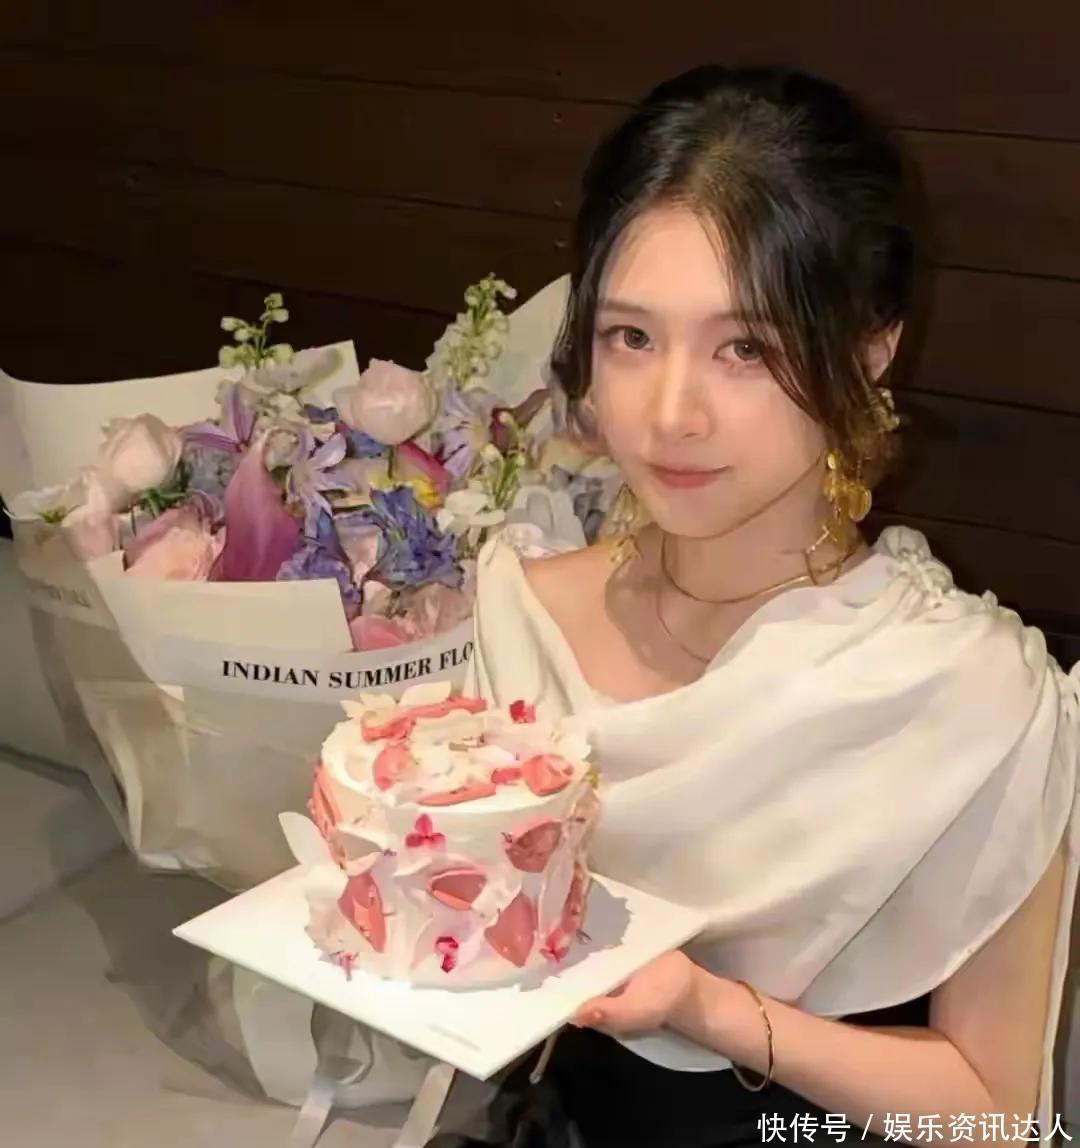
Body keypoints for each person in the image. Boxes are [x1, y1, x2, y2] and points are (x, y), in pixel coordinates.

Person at [446, 64, 1080, 1147]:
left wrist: (708, 1008)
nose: (671, 413)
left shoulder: (969, 697)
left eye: (745, 347)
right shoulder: (525, 617)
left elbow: (993, 1114)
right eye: (631, 337)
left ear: (872, 349)